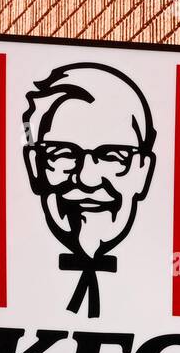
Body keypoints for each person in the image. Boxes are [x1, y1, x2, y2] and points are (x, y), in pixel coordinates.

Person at [22, 63, 157, 318]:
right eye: (63, 154)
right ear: (35, 166)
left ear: (143, 170)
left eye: (114, 156)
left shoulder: (167, 273)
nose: (87, 178)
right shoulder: (12, 274)